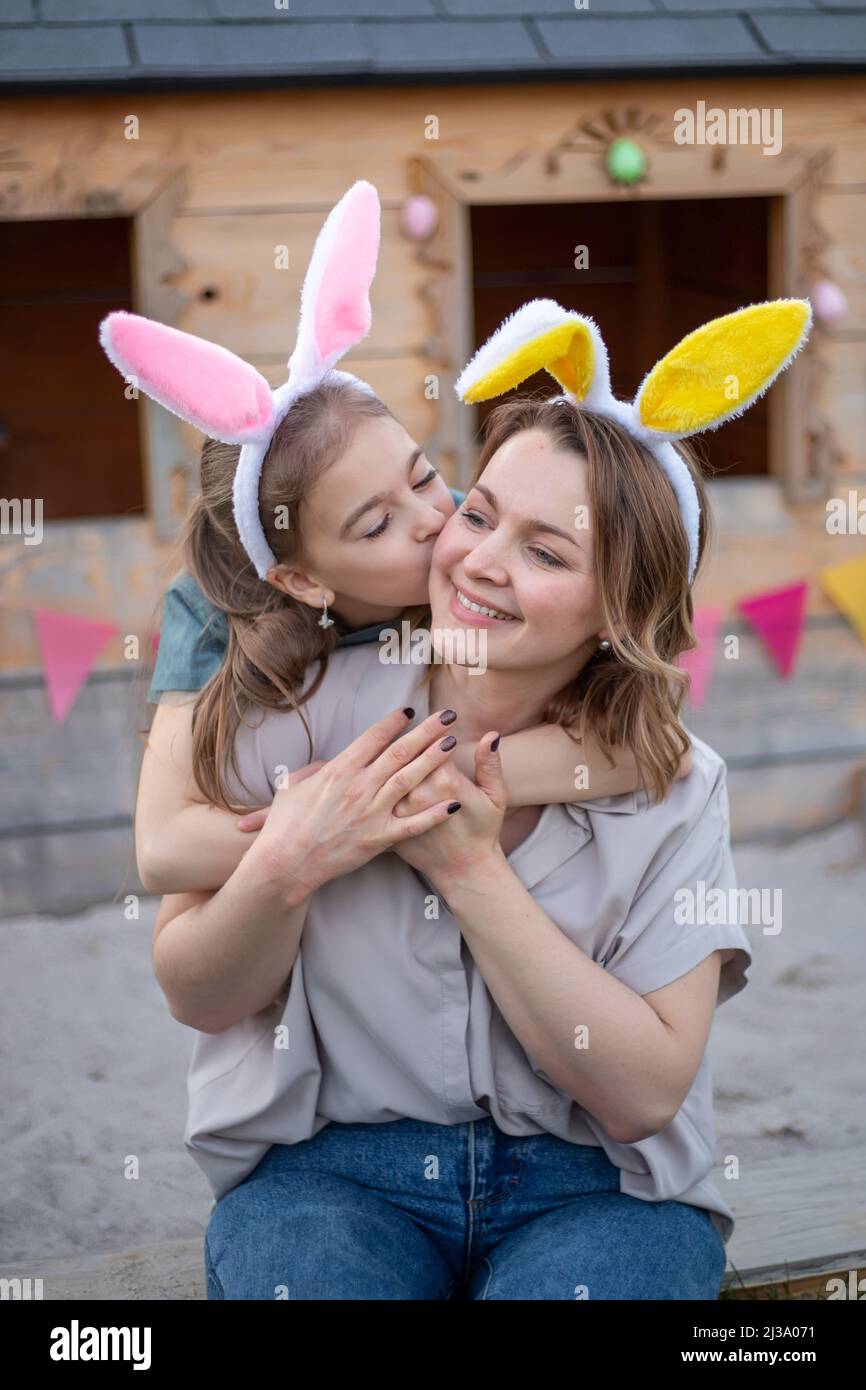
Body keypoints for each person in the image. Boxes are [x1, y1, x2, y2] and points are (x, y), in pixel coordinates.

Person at [151, 293, 811, 1300]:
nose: (475, 562)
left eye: (545, 552)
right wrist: (288, 859)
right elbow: (198, 990)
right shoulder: (302, 711)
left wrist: (470, 870)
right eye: (478, 511)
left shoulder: (674, 784)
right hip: (336, 1175)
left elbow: (640, 1093)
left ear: (620, 607)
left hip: (595, 1188)